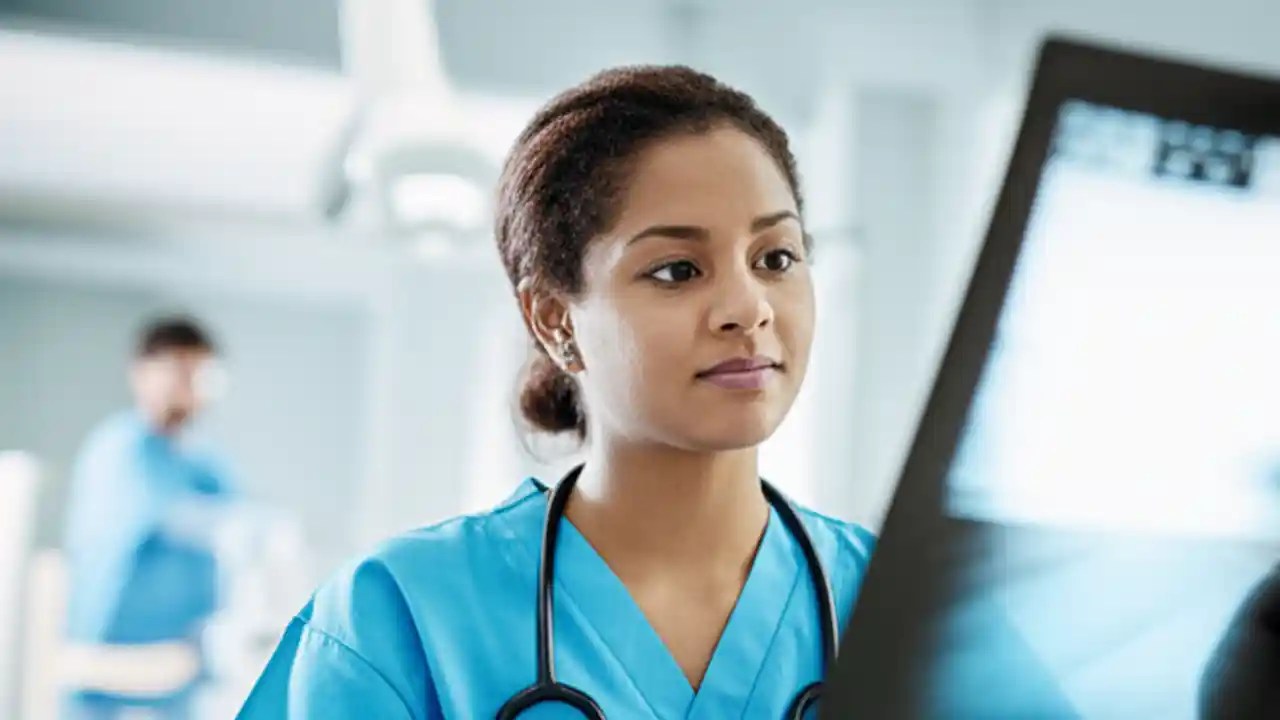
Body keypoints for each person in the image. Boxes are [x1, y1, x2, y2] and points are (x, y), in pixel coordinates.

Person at [239, 65, 876, 719]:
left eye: (776, 258)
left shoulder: (908, 610)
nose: (748, 308)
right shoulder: (399, 618)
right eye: (677, 270)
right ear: (554, 319)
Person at [62, 316, 240, 719]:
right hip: (109, 665)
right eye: (179, 370)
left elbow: (232, 536)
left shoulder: (207, 465)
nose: (189, 388)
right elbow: (174, 517)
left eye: (200, 374)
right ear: (140, 373)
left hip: (178, 673)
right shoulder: (121, 450)